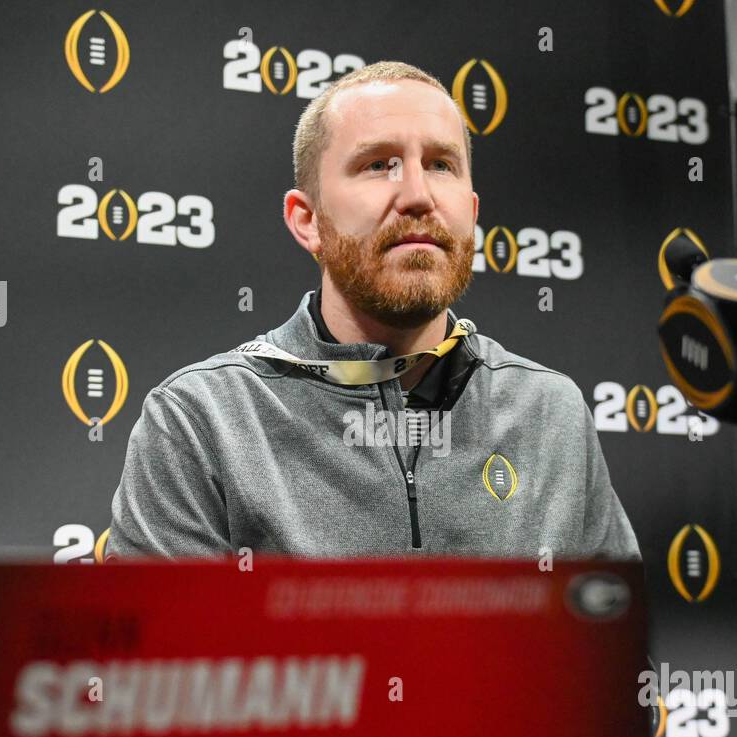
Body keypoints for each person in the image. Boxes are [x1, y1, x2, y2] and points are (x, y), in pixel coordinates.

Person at [107, 61, 639, 561]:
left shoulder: (551, 413)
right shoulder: (202, 420)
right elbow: (161, 659)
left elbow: (612, 651)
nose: (417, 194)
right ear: (307, 220)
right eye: (378, 164)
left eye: (441, 165)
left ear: (471, 211)